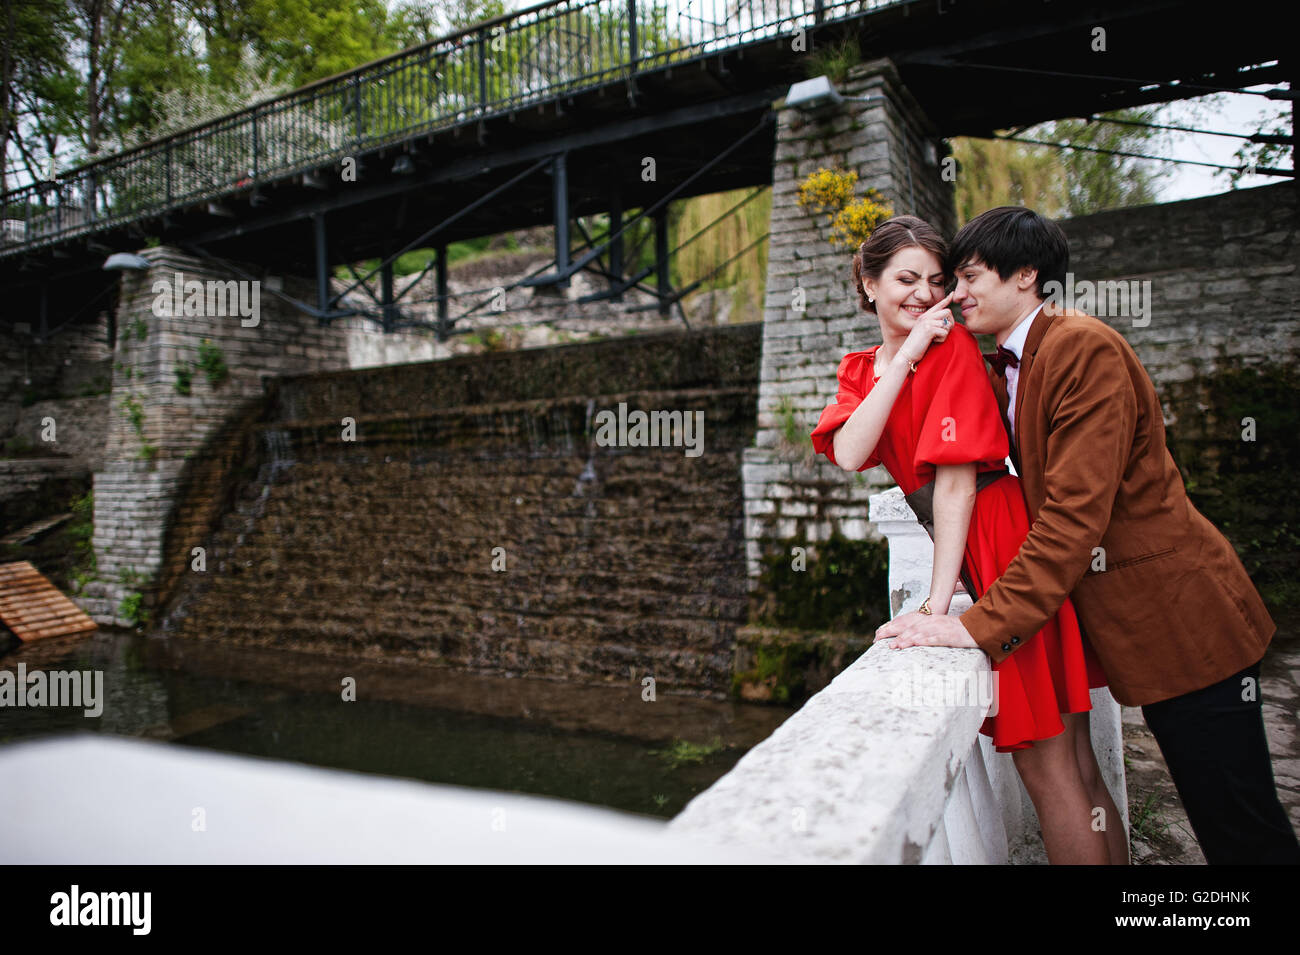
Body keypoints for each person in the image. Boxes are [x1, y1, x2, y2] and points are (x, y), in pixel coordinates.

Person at [876, 206, 1300, 865]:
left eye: (968, 276)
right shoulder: (1014, 360)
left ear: (1026, 275)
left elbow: (1073, 520)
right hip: (1148, 630)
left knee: (1239, 824)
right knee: (1223, 814)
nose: (954, 294)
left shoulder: (1082, 348)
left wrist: (975, 625)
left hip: (1184, 619)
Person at [810, 215, 1125, 865]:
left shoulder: (953, 349)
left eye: (937, 279)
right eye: (905, 279)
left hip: (999, 537)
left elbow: (955, 487)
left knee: (1057, 770)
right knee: (1070, 764)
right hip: (979, 546)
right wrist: (901, 360)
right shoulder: (862, 368)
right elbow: (849, 450)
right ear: (868, 284)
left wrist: (934, 603)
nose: (925, 293)